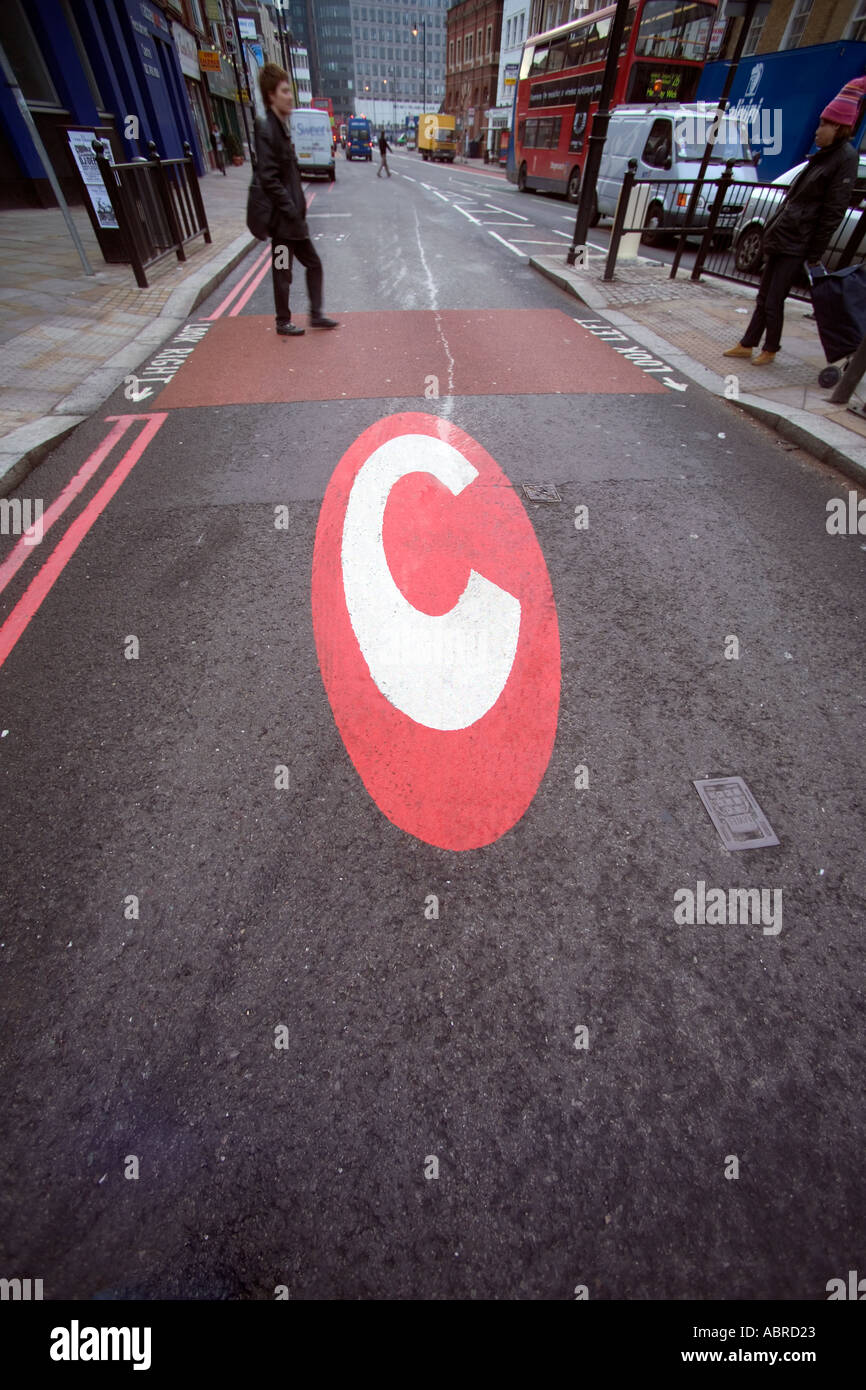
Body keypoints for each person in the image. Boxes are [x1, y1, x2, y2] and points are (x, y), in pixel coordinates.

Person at [723, 76, 866, 366]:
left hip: (798, 240)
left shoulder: (844, 159)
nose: (817, 131)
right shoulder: (823, 156)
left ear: (838, 127)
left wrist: (814, 251)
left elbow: (833, 210)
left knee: (775, 298)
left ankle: (771, 348)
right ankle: (748, 342)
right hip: (785, 234)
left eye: (823, 125)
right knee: (764, 295)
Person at [255, 62, 338, 336]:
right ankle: (283, 321)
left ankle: (315, 314)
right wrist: (290, 207)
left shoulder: (280, 126)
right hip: (283, 222)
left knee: (311, 264)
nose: (290, 96)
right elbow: (268, 178)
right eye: (284, 91)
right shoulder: (267, 128)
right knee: (283, 270)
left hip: (292, 221)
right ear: (271, 96)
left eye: (289, 91)